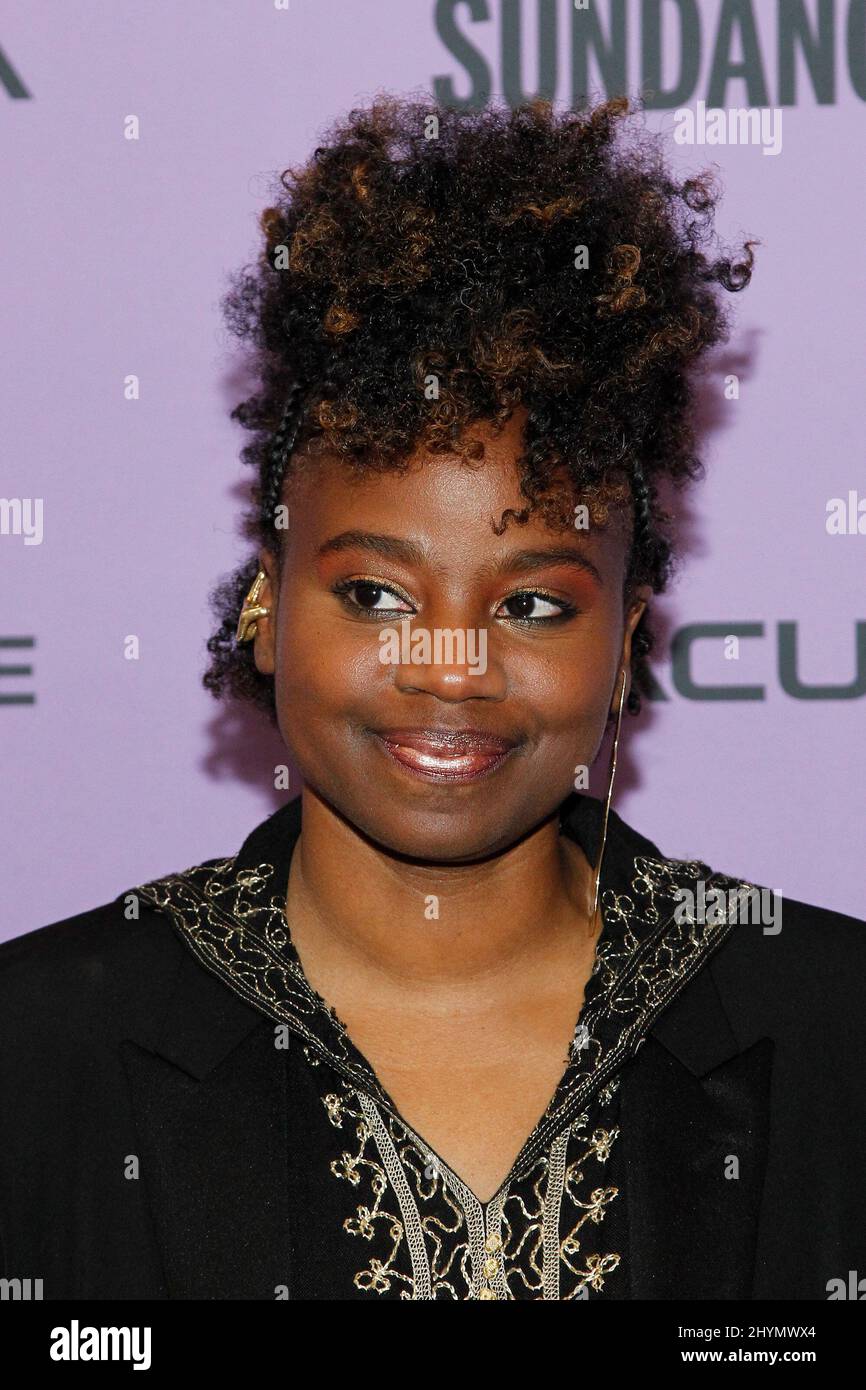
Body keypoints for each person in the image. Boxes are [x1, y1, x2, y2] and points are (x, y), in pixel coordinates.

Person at [1, 93, 864, 1302]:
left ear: (622, 644)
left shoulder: (833, 1030)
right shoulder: (38, 1054)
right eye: (373, 594)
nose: (450, 662)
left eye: (531, 605)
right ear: (265, 606)